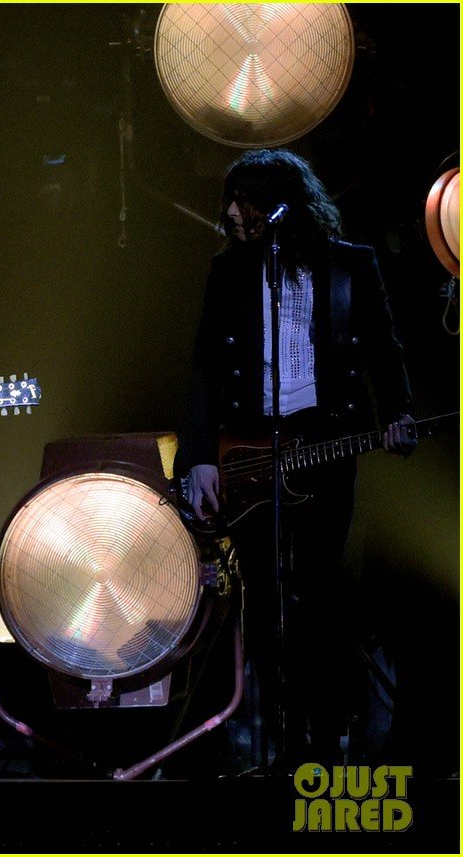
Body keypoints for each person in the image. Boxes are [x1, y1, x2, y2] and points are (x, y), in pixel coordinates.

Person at [176, 148, 417, 769]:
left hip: (326, 443)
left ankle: (324, 738)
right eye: (229, 200)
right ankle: (282, 740)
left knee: (319, 592)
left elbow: (385, 351)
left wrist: (397, 413)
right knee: (263, 596)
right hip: (251, 447)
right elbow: (204, 368)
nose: (232, 212)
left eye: (245, 199)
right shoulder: (228, 271)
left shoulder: (350, 265)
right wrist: (199, 456)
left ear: (282, 203)